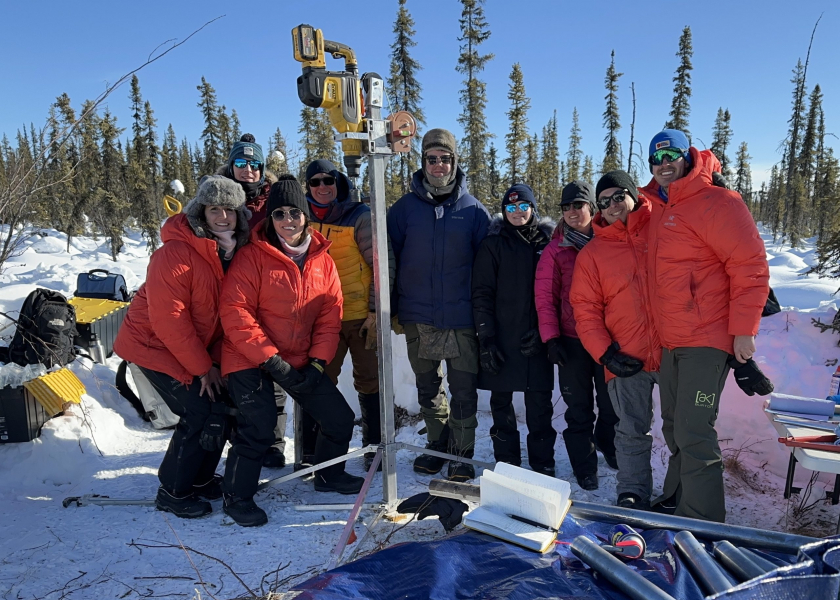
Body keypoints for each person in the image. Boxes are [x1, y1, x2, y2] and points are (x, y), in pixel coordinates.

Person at [640, 129, 770, 522]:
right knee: (674, 427)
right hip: (670, 341)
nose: (664, 165)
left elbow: (750, 267)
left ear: (688, 157)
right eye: (656, 159)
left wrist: (744, 330)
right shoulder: (657, 208)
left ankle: (703, 523)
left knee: (695, 430)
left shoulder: (719, 202)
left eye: (671, 156)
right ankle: (677, 498)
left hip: (706, 340)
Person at [220, 175, 363, 527]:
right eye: (280, 213)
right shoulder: (252, 256)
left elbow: (331, 316)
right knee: (260, 425)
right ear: (270, 219)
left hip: (299, 357)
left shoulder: (322, 260)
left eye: (294, 212)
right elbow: (236, 313)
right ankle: (236, 496)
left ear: (306, 216)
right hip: (249, 356)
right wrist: (270, 359)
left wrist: (318, 362)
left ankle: (328, 475)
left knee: (339, 419)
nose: (288, 220)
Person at [113, 175, 251, 519]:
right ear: (199, 212)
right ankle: (172, 490)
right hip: (152, 345)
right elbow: (168, 320)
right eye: (214, 209)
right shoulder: (175, 253)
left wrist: (216, 364)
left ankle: (201, 479)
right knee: (198, 410)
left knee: (219, 406)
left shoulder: (231, 253)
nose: (222, 216)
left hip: (191, 347)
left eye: (229, 210)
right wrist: (203, 369)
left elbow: (222, 318)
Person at [387, 128, 490, 481]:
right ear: (423, 162)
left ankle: (462, 452)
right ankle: (438, 444)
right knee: (428, 387)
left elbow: (486, 269)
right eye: (432, 158)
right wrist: (391, 308)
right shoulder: (403, 210)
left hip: (461, 318)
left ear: (454, 162)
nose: (438, 164)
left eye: (444, 158)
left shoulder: (474, 212)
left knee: (462, 389)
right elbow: (390, 259)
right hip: (418, 316)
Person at [570, 171, 661, 510]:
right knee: (630, 429)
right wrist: (605, 354)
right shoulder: (593, 254)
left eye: (618, 196)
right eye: (604, 201)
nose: (612, 205)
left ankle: (683, 490)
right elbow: (586, 310)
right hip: (626, 355)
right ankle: (633, 491)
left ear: (634, 195)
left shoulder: (663, 229)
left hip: (674, 350)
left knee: (684, 429)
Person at [302, 158, 394, 472]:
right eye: (315, 182)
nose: (323, 187)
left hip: (359, 316)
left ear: (339, 183)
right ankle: (313, 453)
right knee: (318, 381)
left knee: (370, 382)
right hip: (320, 319)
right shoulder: (299, 219)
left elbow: (381, 264)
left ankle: (375, 449)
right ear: (308, 187)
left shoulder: (359, 216)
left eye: (329, 180)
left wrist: (374, 310)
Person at [534, 181, 618, 491]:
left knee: (611, 405)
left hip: (608, 339)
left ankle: (606, 444)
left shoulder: (609, 242)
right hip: (571, 341)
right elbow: (544, 298)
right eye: (565, 207)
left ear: (591, 208)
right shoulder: (556, 250)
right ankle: (585, 467)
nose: (571, 212)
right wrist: (552, 339)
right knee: (579, 408)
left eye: (577, 205)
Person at [472, 184, 557, 475]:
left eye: (523, 207)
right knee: (501, 405)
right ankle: (506, 461)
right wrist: (486, 338)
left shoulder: (547, 243)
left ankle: (543, 463)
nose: (518, 213)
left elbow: (556, 291)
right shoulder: (492, 244)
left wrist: (546, 332)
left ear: (533, 208)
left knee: (539, 405)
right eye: (511, 208)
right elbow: (481, 293)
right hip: (501, 336)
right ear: (503, 212)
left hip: (538, 336)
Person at [218, 133, 286, 469]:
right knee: (236, 372)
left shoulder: (273, 199)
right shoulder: (217, 197)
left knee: (272, 367)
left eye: (254, 164)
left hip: (268, 295)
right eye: (241, 163)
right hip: (226, 296)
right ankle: (240, 440)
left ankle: (272, 442)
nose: (248, 170)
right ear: (231, 166)